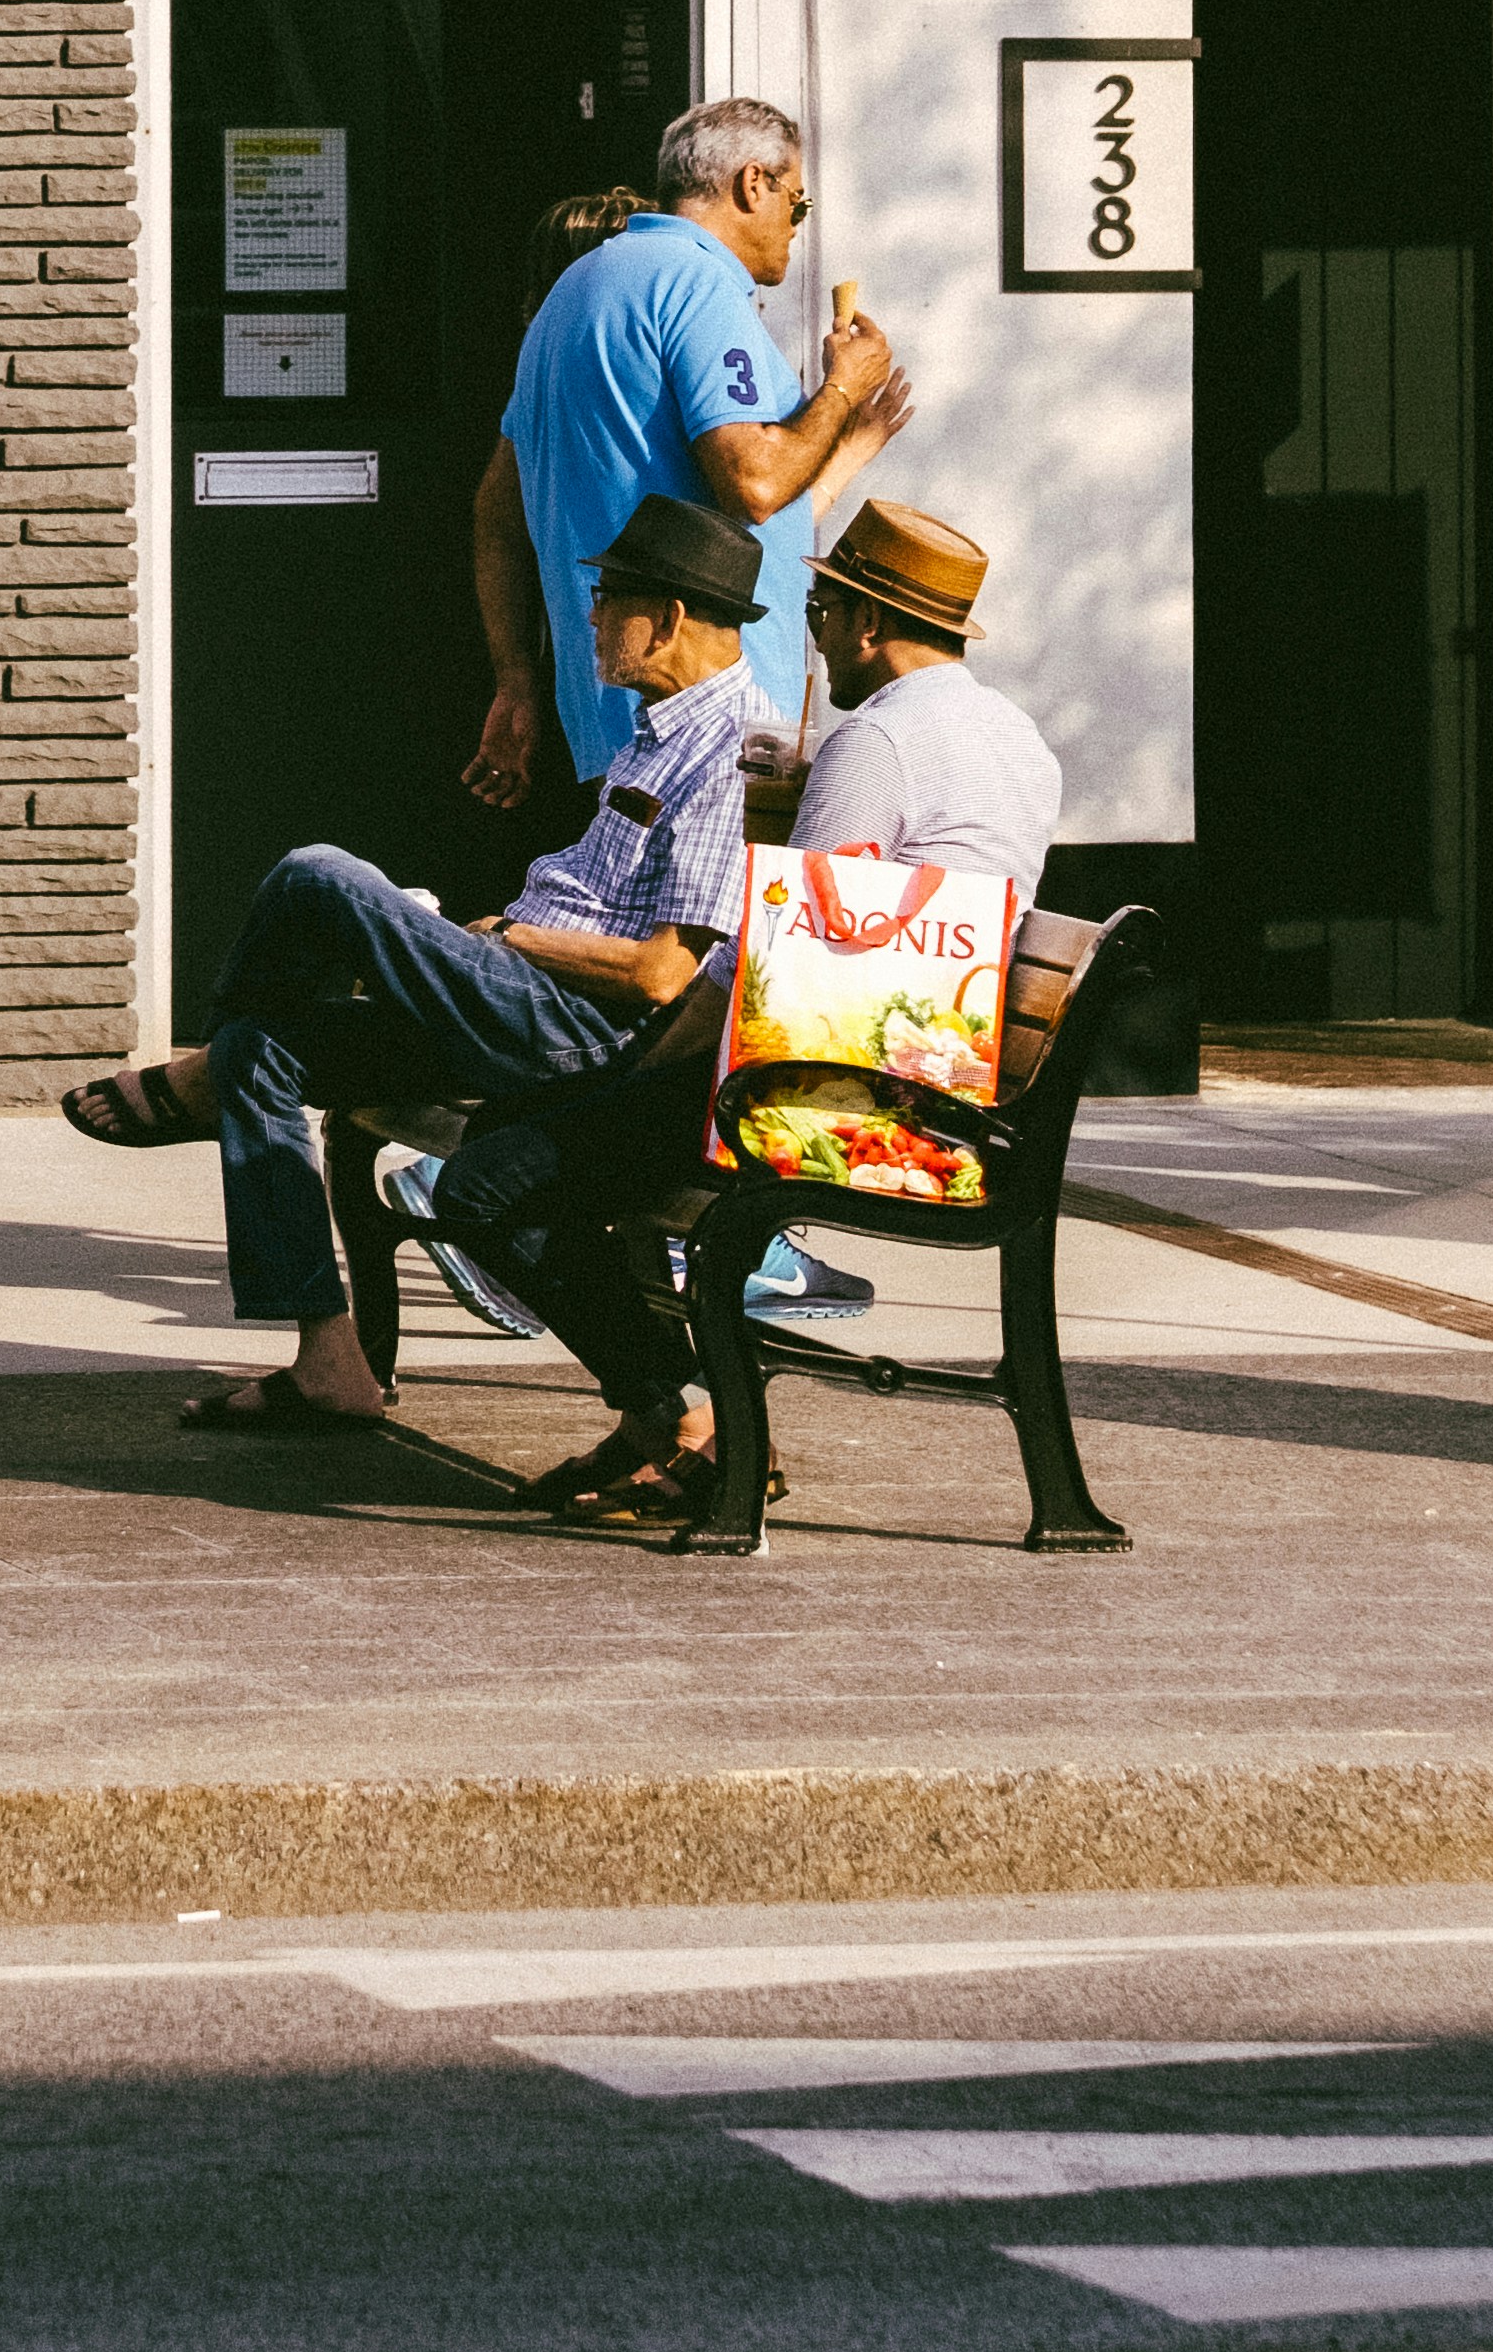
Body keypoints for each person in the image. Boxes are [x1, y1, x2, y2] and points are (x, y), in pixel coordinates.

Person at [60, 488, 762, 1451]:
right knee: (264, 1053)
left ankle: (198, 1075)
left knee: (320, 876)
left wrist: (510, 940)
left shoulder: (730, 753)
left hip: (573, 1027)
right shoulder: (659, 729)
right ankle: (328, 1358)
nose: (589, 615)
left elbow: (659, 975)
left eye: (607, 597)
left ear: (670, 616)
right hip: (519, 994)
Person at [466, 98, 906, 817]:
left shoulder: (570, 295)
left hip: (613, 715)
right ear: (753, 183)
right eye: (799, 203)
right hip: (710, 723)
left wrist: (516, 676)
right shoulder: (697, 284)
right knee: (705, 932)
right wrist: (841, 386)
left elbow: (496, 512)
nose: (797, 229)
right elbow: (756, 483)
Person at [788, 496, 1059, 893]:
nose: (821, 642)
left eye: (821, 613)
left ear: (867, 620)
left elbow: (787, 923)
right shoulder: (1024, 737)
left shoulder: (876, 741)